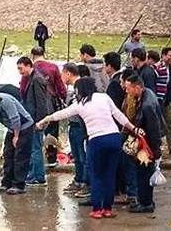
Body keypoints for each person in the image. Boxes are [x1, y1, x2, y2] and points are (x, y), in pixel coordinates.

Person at [37, 77, 141, 219]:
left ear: (80, 90)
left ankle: (97, 209)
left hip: (97, 141)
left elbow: (60, 115)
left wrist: (43, 120)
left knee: (96, 175)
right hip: (114, 138)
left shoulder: (80, 104)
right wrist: (134, 129)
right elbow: (118, 115)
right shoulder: (104, 97)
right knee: (110, 175)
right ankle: (107, 209)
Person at [124, 75, 163, 213]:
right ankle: (146, 201)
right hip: (146, 143)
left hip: (147, 145)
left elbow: (154, 129)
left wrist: (155, 150)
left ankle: (145, 203)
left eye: (128, 88)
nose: (126, 91)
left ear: (137, 87)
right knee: (143, 172)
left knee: (143, 173)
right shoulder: (148, 95)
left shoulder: (146, 105)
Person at [104, 52, 138, 205]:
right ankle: (129, 192)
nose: (122, 86)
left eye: (124, 83)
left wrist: (124, 130)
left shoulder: (130, 97)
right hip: (126, 132)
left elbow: (126, 116)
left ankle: (130, 193)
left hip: (127, 133)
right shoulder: (130, 95)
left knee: (127, 163)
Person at [17, 56, 52, 186]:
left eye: (21, 68)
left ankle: (38, 176)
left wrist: (40, 121)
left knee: (35, 148)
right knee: (34, 147)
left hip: (36, 120)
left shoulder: (37, 79)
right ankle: (34, 174)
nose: (20, 72)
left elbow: (42, 102)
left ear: (28, 65)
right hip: (31, 119)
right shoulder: (31, 78)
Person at [60, 63, 90, 198]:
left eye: (62, 73)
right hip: (72, 125)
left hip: (80, 126)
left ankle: (85, 182)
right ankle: (78, 180)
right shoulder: (72, 90)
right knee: (77, 156)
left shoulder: (81, 88)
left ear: (68, 73)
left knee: (82, 156)